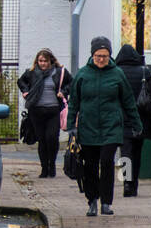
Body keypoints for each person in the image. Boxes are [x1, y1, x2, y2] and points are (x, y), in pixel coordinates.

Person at [68, 37, 142, 217]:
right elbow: (74, 102)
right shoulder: (83, 74)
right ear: (92, 55)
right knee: (90, 165)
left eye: (105, 56)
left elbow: (128, 101)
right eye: (98, 55)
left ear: (110, 55)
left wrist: (136, 123)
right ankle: (92, 200)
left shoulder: (117, 74)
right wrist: (71, 125)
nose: (101, 59)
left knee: (107, 162)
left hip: (111, 127)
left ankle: (106, 202)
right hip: (88, 127)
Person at [17, 48, 71, 178]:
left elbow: (71, 83)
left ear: (50, 61)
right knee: (42, 140)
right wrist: (25, 91)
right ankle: (44, 168)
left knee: (51, 138)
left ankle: (51, 164)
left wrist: (63, 92)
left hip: (53, 111)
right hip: (36, 111)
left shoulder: (59, 72)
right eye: (40, 61)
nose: (42, 64)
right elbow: (21, 81)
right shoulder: (31, 73)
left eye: (45, 61)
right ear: (37, 61)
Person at [114, 44, 151, 197]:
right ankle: (134, 183)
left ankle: (126, 183)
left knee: (125, 152)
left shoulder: (116, 72)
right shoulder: (144, 71)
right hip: (140, 118)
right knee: (137, 152)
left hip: (122, 118)